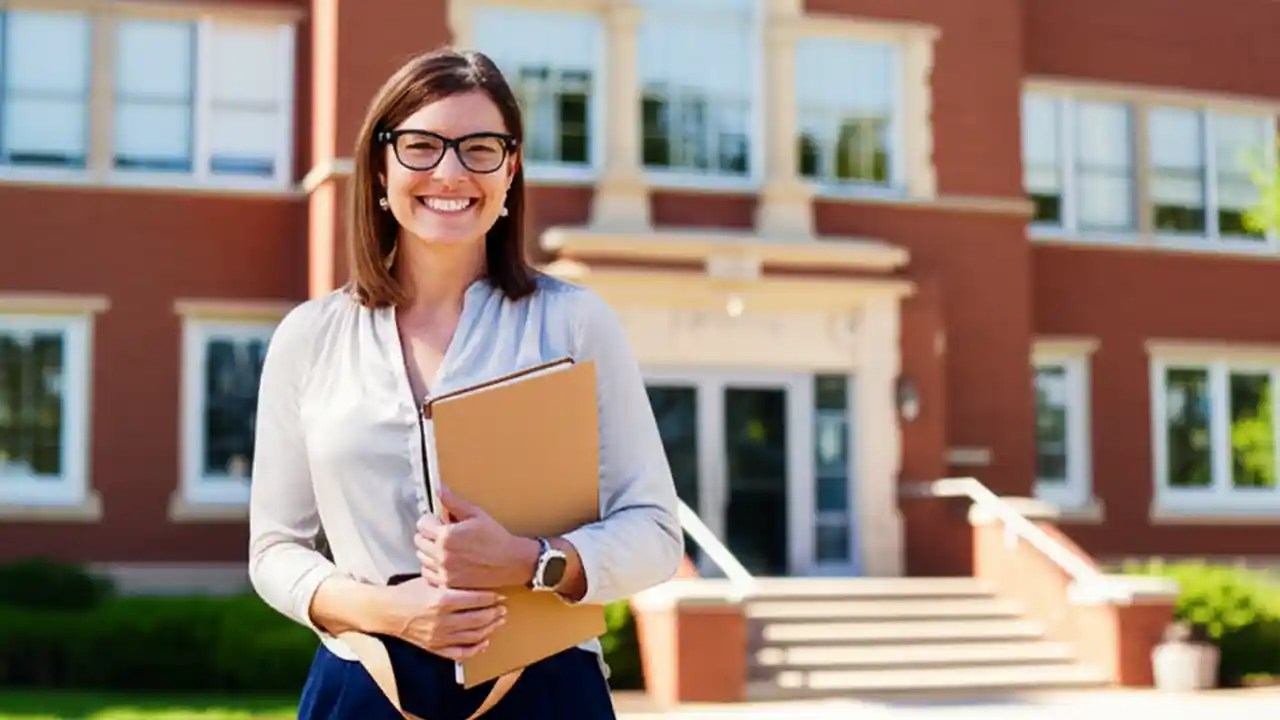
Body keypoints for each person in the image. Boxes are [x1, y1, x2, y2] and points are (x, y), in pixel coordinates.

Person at [247, 47, 684, 719]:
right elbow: (275, 549)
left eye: (480, 148)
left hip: (545, 693)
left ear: (510, 171)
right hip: (364, 689)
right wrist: (389, 612)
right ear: (380, 169)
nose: (450, 172)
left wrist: (533, 561)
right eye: (421, 146)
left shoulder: (573, 324)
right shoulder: (310, 338)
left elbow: (654, 532)